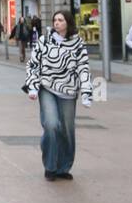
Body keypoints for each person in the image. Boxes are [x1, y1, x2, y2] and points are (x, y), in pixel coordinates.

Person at [23, 10, 93, 181]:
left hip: (68, 91)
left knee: (67, 131)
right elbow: (33, 64)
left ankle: (63, 167)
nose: (57, 23)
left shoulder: (77, 43)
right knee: (52, 124)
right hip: (47, 87)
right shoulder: (44, 40)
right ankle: (50, 165)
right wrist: (32, 87)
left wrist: (86, 93)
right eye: (55, 20)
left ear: (68, 22)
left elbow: (83, 67)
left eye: (60, 20)